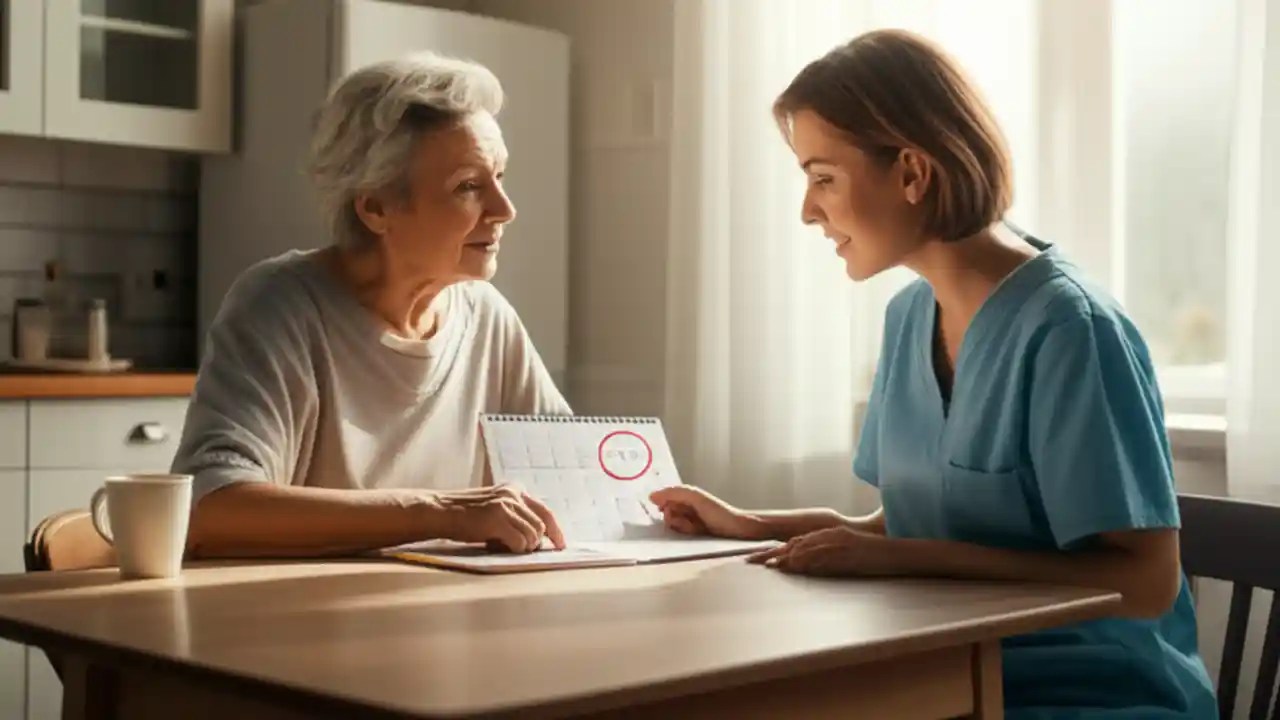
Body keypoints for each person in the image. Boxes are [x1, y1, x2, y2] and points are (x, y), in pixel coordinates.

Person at [650, 29, 1216, 718]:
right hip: (946, 671)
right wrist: (749, 523)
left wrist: (903, 559)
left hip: (1090, 694)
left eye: (823, 178)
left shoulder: (1072, 330)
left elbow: (1147, 581)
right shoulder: (908, 316)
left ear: (913, 173)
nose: (807, 211)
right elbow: (903, 528)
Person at [172, 53, 569, 558]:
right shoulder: (280, 307)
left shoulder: (486, 316)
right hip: (303, 608)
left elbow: (571, 478)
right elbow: (212, 508)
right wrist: (441, 513)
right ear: (376, 207)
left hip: (440, 607)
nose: (504, 209)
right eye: (469, 186)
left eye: (500, 176)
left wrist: (659, 507)